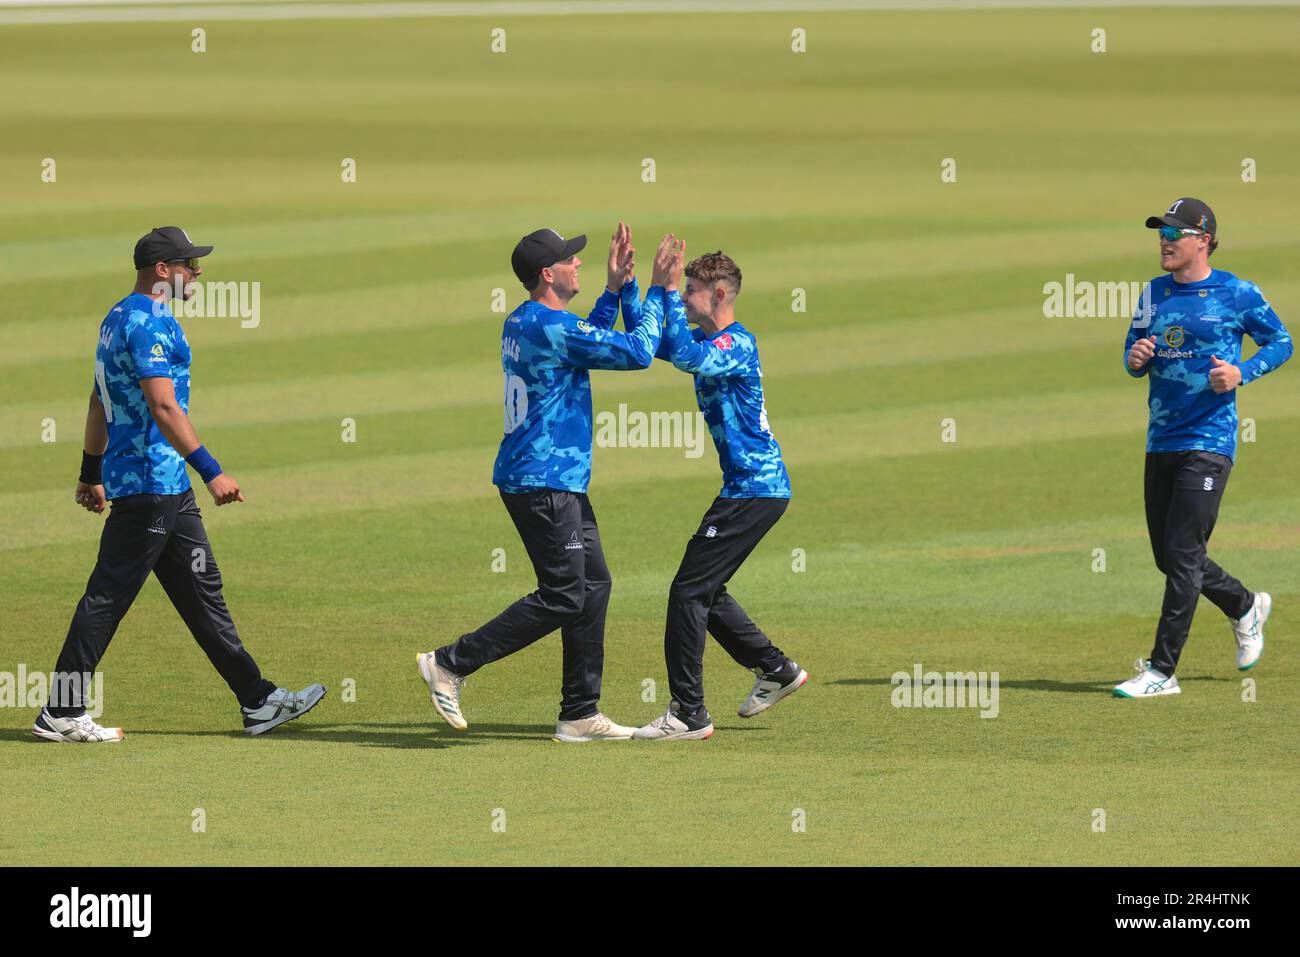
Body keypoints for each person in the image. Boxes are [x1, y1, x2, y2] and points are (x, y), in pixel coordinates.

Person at [33, 226, 326, 742]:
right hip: (152, 484)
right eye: (190, 265)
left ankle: (257, 701)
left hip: (156, 484)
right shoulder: (147, 324)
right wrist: (213, 471)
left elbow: (99, 401)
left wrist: (90, 473)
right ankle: (62, 711)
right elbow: (163, 406)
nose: (199, 273)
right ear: (163, 271)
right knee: (107, 596)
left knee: (201, 593)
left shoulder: (116, 317)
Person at [417, 225, 671, 742]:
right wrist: (653, 290)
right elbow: (637, 351)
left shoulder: (526, 320)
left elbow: (584, 342)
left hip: (552, 479)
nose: (578, 263)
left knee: (593, 586)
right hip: (542, 482)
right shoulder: (552, 327)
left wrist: (612, 290)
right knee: (564, 594)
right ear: (546, 274)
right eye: (569, 260)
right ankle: (449, 663)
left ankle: (579, 714)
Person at [1115, 199, 1291, 698]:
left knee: (1183, 554)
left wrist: (1241, 372)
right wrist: (1136, 356)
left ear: (1204, 240)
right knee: (1171, 558)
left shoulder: (1236, 292)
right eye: (1161, 232)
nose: (1165, 240)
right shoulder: (1153, 292)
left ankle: (1161, 671)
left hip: (1209, 442)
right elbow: (1133, 351)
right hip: (1161, 440)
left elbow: (1281, 342)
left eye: (1175, 232)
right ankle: (1243, 605)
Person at [632, 241, 806, 741]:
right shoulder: (706, 340)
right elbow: (653, 341)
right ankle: (775, 669)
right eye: (683, 290)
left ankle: (688, 713)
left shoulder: (736, 344)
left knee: (687, 591)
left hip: (755, 489)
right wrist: (633, 287)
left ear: (720, 293)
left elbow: (683, 355)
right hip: (750, 488)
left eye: (691, 291)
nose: (685, 298)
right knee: (705, 589)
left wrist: (663, 290)